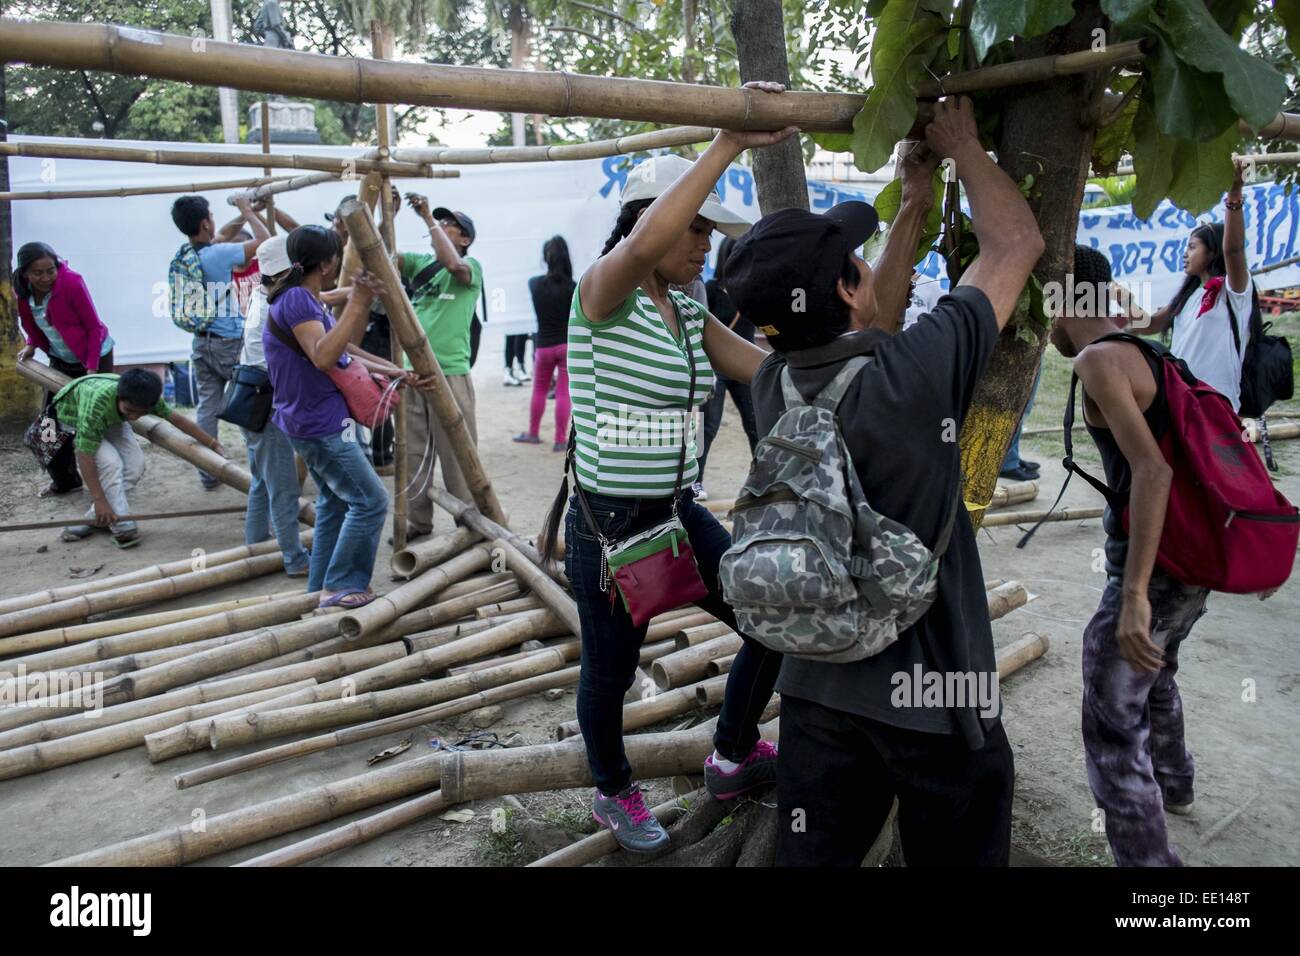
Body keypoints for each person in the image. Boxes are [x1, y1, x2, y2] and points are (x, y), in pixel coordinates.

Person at [730, 96, 1044, 867]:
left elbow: (871, 323)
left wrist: (913, 205)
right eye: (856, 262)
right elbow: (1016, 242)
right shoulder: (916, 372)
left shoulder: (775, 385)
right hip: (938, 707)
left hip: (816, 698)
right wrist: (966, 146)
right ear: (844, 288)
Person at [537, 84, 797, 853]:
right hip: (609, 522)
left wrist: (850, 359)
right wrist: (725, 141)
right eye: (698, 231)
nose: (706, 246)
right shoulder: (601, 293)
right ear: (657, 222)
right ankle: (615, 792)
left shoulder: (687, 310)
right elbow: (646, 248)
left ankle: (731, 751)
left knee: (769, 618)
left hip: (678, 511)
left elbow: (763, 369)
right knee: (610, 673)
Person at [1048, 244, 1280, 866]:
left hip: (1150, 569)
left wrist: (1130, 598)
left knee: (1110, 719)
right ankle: (1176, 783)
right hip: (1186, 567)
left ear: (1061, 299)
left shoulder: (1099, 361)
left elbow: (1153, 472)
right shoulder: (1149, 350)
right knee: (1158, 671)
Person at [263, 225, 416, 611]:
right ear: (329, 262)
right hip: (319, 424)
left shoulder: (302, 297)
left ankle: (320, 587)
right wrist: (359, 303)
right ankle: (342, 585)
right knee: (370, 501)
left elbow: (344, 347)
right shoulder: (297, 299)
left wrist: (394, 370)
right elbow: (323, 356)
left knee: (333, 502)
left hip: (310, 419)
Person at [1129, 160, 1253, 412]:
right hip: (1178, 398)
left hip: (1216, 403)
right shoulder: (1189, 295)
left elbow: (1234, 250)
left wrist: (1234, 193)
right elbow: (1150, 324)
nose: (1185, 254)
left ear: (1213, 251)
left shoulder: (1234, 292)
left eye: (1192, 247)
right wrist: (1120, 299)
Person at [55, 369, 225, 549]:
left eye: (141, 413)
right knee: (111, 464)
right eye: (129, 410)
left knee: (135, 466)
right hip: (75, 417)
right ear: (119, 397)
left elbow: (178, 420)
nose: (134, 417)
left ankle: (96, 517)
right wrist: (99, 499)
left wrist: (212, 443)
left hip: (112, 418)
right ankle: (123, 526)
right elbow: (85, 455)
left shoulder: (145, 398)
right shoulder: (98, 405)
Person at [170, 193, 271, 490]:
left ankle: (208, 472)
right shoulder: (218, 255)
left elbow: (222, 233)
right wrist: (249, 214)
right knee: (250, 400)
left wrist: (246, 213)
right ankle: (260, 467)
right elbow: (266, 243)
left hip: (201, 342)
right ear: (205, 222)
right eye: (211, 216)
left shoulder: (186, 254)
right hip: (228, 341)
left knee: (208, 407)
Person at [397, 195, 483, 540]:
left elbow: (455, 267)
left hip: (451, 373)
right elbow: (383, 258)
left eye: (451, 225)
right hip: (411, 373)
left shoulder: (471, 268)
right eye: (441, 222)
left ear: (465, 239)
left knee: (459, 454)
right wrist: (387, 213)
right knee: (413, 453)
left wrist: (427, 220)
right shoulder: (419, 263)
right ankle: (418, 522)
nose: (444, 228)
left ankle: (471, 522)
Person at [15, 241, 115, 497]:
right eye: (38, 273)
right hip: (60, 360)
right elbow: (33, 327)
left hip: (93, 358)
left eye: (51, 270)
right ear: (25, 273)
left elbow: (93, 328)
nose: (46, 277)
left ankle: (109, 482)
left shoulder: (71, 282)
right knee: (48, 427)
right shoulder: (23, 292)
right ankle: (66, 480)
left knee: (92, 422)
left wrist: (92, 369)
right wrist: (31, 345)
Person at [238, 233, 311, 578]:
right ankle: (294, 559)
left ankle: (255, 543)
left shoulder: (258, 293)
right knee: (282, 485)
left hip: (248, 397)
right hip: (267, 402)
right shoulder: (282, 306)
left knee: (262, 479)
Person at [695, 235, 759, 500]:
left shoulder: (751, 291)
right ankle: (695, 481)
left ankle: (768, 476)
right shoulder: (710, 289)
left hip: (744, 369)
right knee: (707, 427)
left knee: (755, 424)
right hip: (717, 369)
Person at [514, 236, 575, 451]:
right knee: (563, 392)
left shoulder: (534, 284)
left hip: (544, 346)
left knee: (539, 390)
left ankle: (533, 433)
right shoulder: (573, 288)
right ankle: (560, 440)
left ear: (545, 259)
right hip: (566, 346)